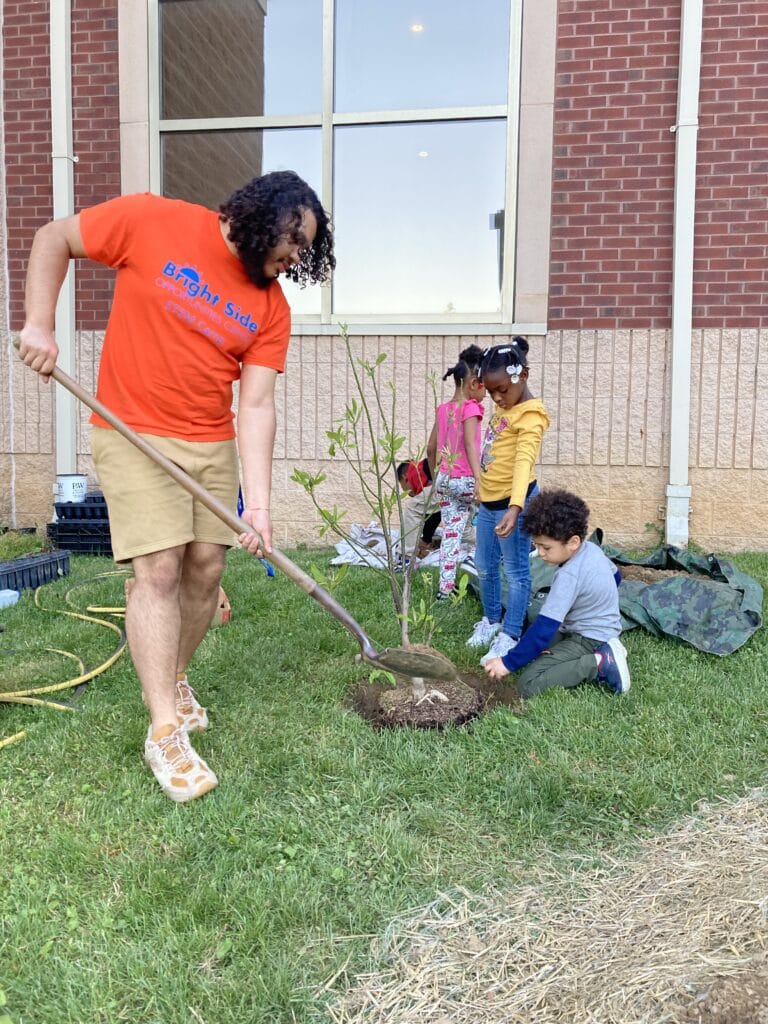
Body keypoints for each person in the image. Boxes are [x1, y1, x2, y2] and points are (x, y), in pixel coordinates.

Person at [17, 170, 335, 802]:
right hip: (131, 427)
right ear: (261, 214)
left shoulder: (271, 307)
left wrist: (261, 507)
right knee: (158, 569)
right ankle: (164, 728)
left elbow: (259, 406)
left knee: (206, 569)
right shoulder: (151, 220)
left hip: (209, 440)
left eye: (306, 249)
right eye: (295, 240)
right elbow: (53, 238)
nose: (297, 257)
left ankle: (176, 674)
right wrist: (39, 323)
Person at [483, 489, 631, 696]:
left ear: (572, 542)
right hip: (591, 628)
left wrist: (508, 663)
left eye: (546, 547)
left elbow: (545, 629)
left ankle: (598, 663)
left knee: (528, 683)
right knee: (534, 647)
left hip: (589, 638)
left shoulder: (568, 576)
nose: (540, 554)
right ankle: (604, 650)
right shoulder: (592, 550)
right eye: (537, 546)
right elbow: (615, 577)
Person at [466, 337, 550, 665]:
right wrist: (481, 485)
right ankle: (491, 620)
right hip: (489, 504)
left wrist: (515, 509)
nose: (497, 398)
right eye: (490, 392)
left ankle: (511, 633)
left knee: (515, 572)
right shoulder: (504, 407)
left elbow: (522, 463)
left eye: (502, 389)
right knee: (485, 567)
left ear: (523, 375)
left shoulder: (531, 416)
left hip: (514, 505)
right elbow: (495, 453)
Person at [426, 344, 485, 599]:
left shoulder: (443, 410)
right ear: (472, 383)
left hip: (444, 480)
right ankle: (490, 579)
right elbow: (471, 445)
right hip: (467, 480)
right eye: (483, 384)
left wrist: (435, 479)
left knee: (451, 534)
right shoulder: (470, 408)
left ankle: (444, 590)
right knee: (493, 526)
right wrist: (479, 482)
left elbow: (431, 448)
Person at [396, 458, 441, 559]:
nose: (408, 494)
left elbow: (431, 450)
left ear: (405, 477)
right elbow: (436, 513)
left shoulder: (415, 472)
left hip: (446, 481)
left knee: (413, 508)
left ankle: (405, 556)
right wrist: (426, 539)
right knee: (466, 531)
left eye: (402, 484)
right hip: (463, 480)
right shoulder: (424, 477)